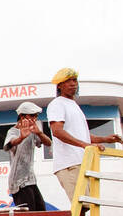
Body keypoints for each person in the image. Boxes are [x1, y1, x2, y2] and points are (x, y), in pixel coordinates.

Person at [47, 67, 123, 206]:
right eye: (67, 81)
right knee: (81, 206)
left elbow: (83, 135)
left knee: (86, 206)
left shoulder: (74, 105)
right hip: (69, 164)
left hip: (81, 161)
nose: (72, 84)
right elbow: (57, 131)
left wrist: (106, 139)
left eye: (74, 80)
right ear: (60, 85)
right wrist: (85, 145)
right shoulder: (57, 104)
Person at [2, 101, 50, 211]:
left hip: (30, 179)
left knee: (41, 214)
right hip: (19, 181)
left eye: (36, 116)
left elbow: (48, 143)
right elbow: (8, 145)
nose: (35, 118)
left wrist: (39, 133)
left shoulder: (33, 131)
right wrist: (21, 137)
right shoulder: (13, 131)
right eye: (32, 115)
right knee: (28, 215)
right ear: (22, 116)